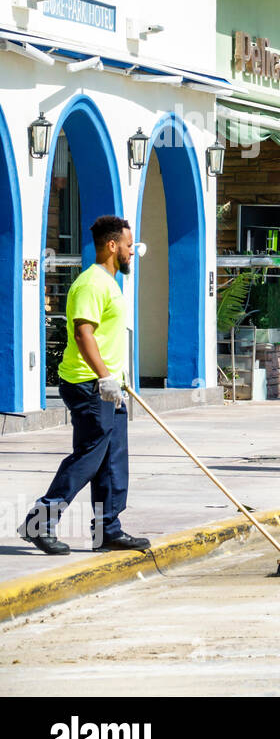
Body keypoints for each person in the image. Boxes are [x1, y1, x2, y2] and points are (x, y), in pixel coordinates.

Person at [18, 216, 149, 555]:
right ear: (112, 245)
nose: (132, 252)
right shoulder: (92, 284)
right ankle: (39, 523)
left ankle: (108, 530)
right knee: (88, 459)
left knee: (113, 461)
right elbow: (82, 333)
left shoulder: (110, 282)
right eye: (129, 246)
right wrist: (104, 377)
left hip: (108, 387)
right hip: (89, 385)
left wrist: (117, 380)